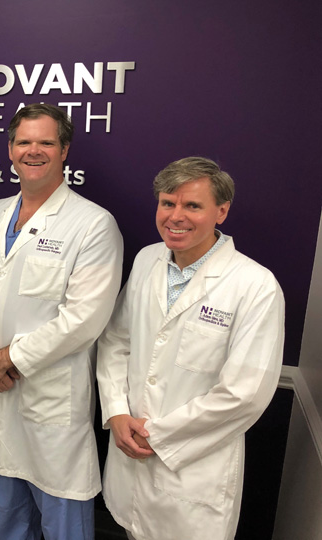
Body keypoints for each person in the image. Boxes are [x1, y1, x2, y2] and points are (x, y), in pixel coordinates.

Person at [0, 103, 123, 540]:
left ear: (64, 150)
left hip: (50, 405)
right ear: (10, 149)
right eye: (24, 142)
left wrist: (6, 359)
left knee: (64, 525)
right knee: (7, 523)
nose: (34, 151)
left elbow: (84, 319)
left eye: (46, 142)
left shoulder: (93, 224)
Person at [97, 157, 284, 540]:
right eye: (168, 203)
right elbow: (117, 340)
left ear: (222, 211)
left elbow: (244, 394)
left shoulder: (255, 286)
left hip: (191, 474)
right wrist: (116, 411)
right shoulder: (147, 260)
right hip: (129, 451)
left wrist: (157, 435)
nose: (175, 216)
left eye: (193, 206)